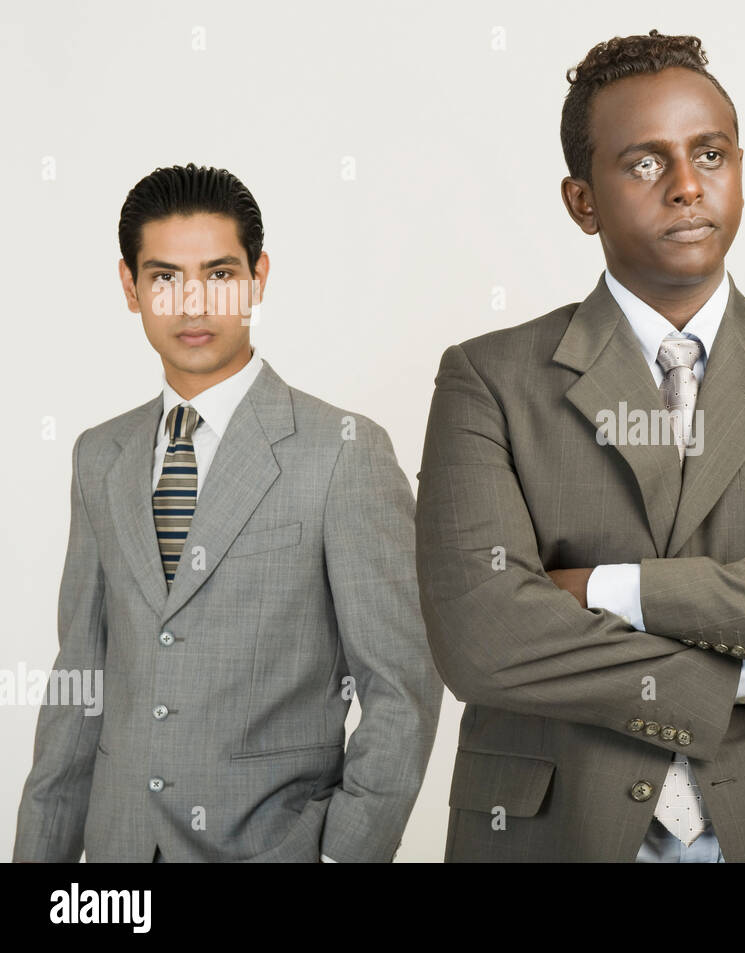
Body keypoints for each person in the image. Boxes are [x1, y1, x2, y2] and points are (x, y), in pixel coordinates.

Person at [416, 30, 745, 862]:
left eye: (711, 153)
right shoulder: (487, 378)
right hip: (558, 831)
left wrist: (615, 587)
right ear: (582, 200)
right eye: (644, 163)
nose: (688, 187)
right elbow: (481, 636)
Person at [13, 163, 442, 862]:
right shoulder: (101, 455)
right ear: (130, 287)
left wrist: (343, 854)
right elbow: (78, 684)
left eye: (219, 274)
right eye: (164, 277)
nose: (192, 303)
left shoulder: (341, 452)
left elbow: (403, 687)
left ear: (259, 278)